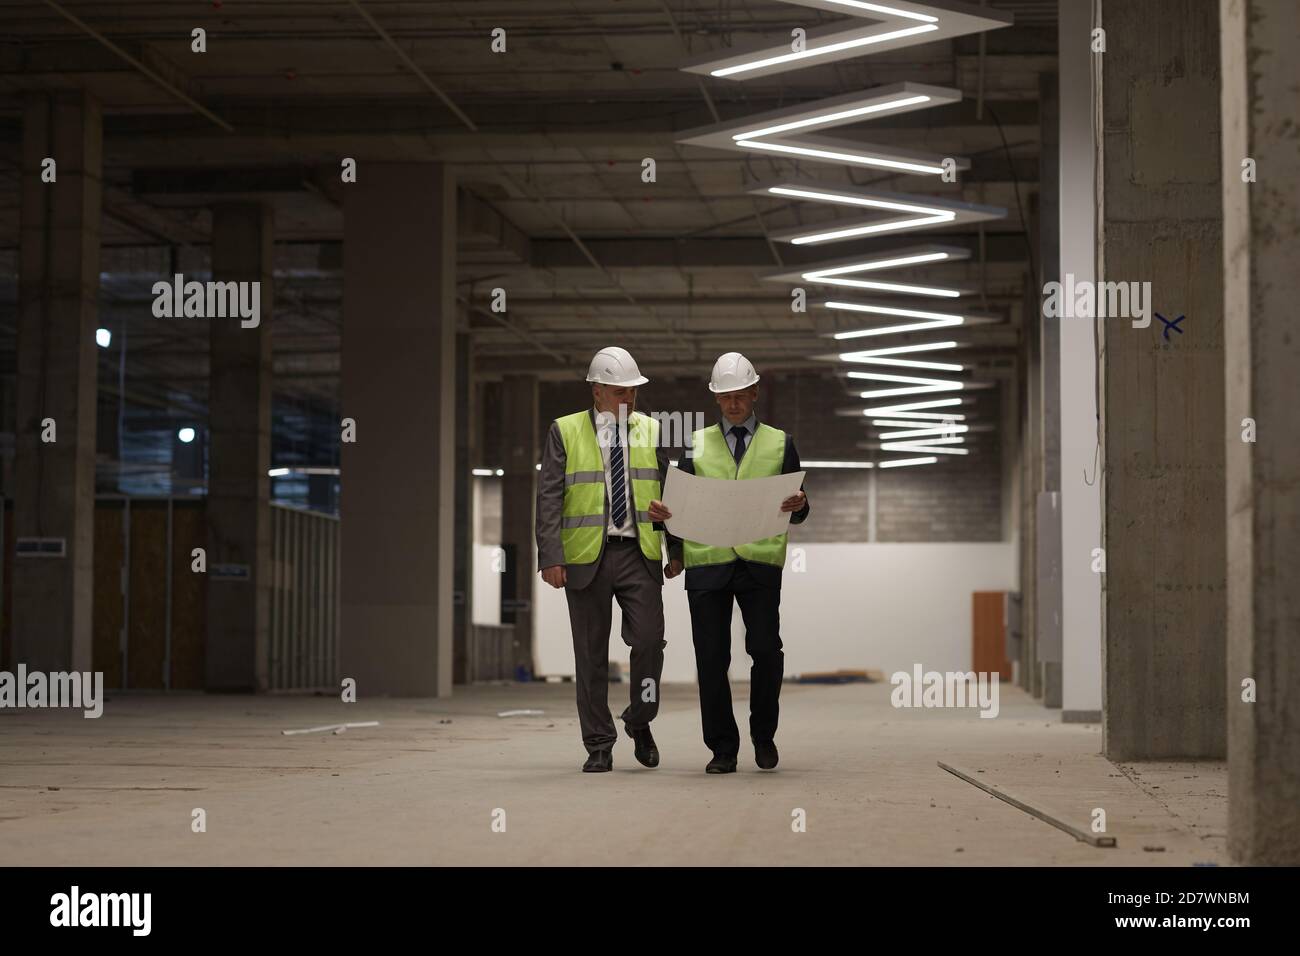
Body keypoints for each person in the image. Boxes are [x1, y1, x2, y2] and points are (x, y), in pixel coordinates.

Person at [648, 352, 808, 774]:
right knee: (711, 659)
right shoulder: (695, 445)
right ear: (716, 399)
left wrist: (801, 503)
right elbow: (676, 504)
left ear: (755, 393)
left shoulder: (780, 443)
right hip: (707, 565)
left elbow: (799, 507)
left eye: (740, 395)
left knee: (766, 652)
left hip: (758, 564)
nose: (733, 403)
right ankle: (722, 749)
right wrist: (674, 548)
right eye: (725, 397)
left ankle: (763, 737)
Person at [536, 346, 683, 772]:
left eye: (633, 391)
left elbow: (669, 495)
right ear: (597, 390)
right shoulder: (564, 431)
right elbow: (548, 495)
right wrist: (551, 555)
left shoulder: (651, 431)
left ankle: (640, 719)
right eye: (621, 391)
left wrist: (675, 548)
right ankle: (598, 743)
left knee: (651, 642)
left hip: (639, 554)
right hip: (586, 557)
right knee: (590, 655)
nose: (629, 399)